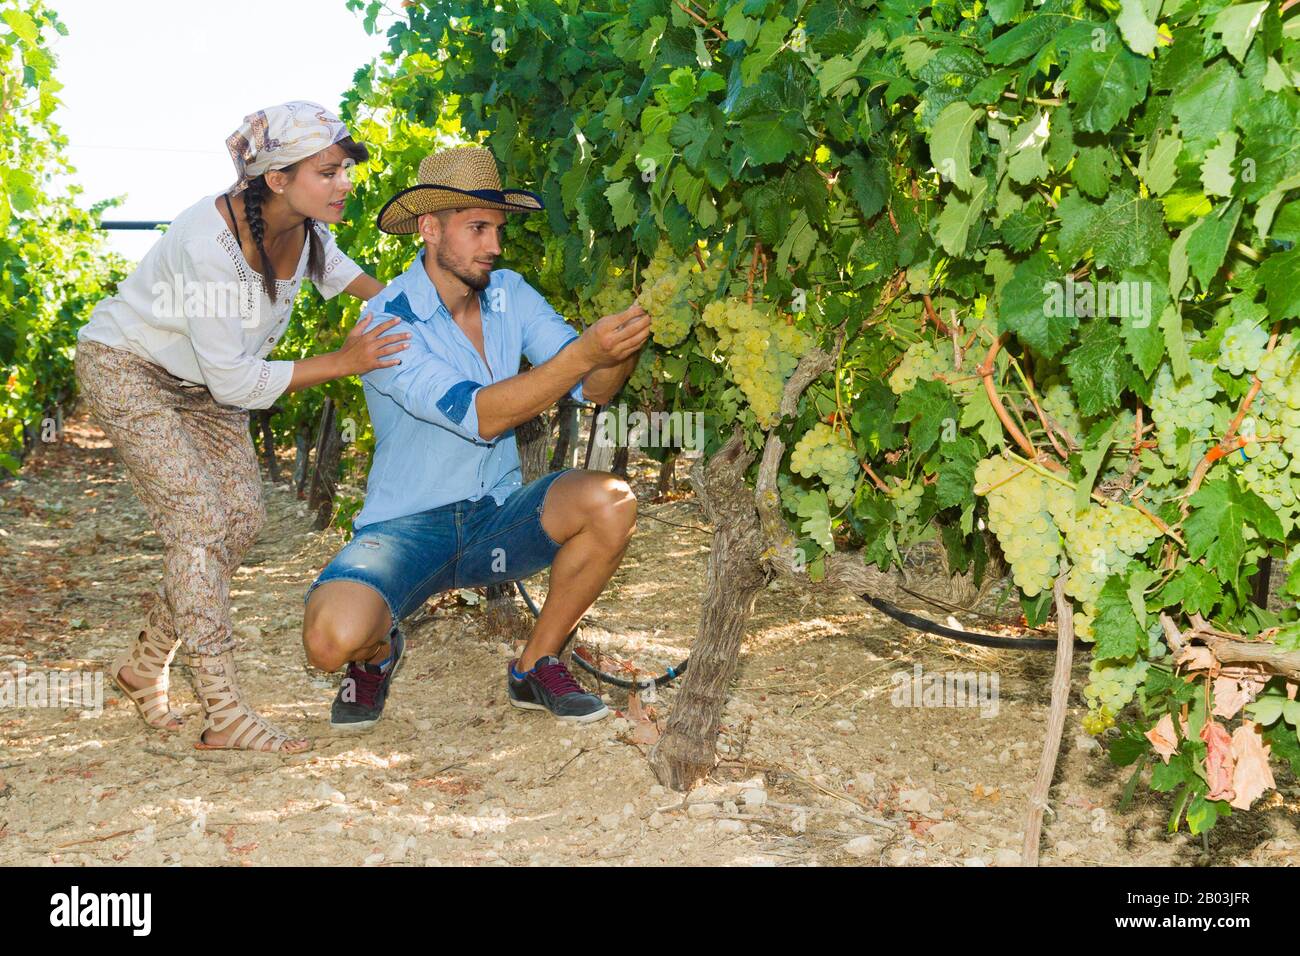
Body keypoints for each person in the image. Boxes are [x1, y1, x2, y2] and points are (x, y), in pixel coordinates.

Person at [75, 101, 409, 753]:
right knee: (199, 522)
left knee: (242, 520)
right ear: (277, 179)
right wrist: (344, 362)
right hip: (130, 368)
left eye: (345, 169)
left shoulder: (308, 235)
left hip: (206, 382)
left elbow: (356, 282)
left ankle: (144, 668)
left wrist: (430, 306)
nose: (344, 183)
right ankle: (224, 710)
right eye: (328, 171)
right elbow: (233, 382)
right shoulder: (210, 243)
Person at [301, 145, 650, 729]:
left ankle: (534, 665)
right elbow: (481, 415)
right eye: (478, 228)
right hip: (405, 530)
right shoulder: (388, 322)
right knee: (330, 639)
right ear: (430, 228)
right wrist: (586, 353)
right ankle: (378, 654)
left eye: (498, 229)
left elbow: (595, 389)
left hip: (496, 516)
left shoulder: (510, 292)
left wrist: (621, 347)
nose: (495, 246)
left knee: (612, 501)